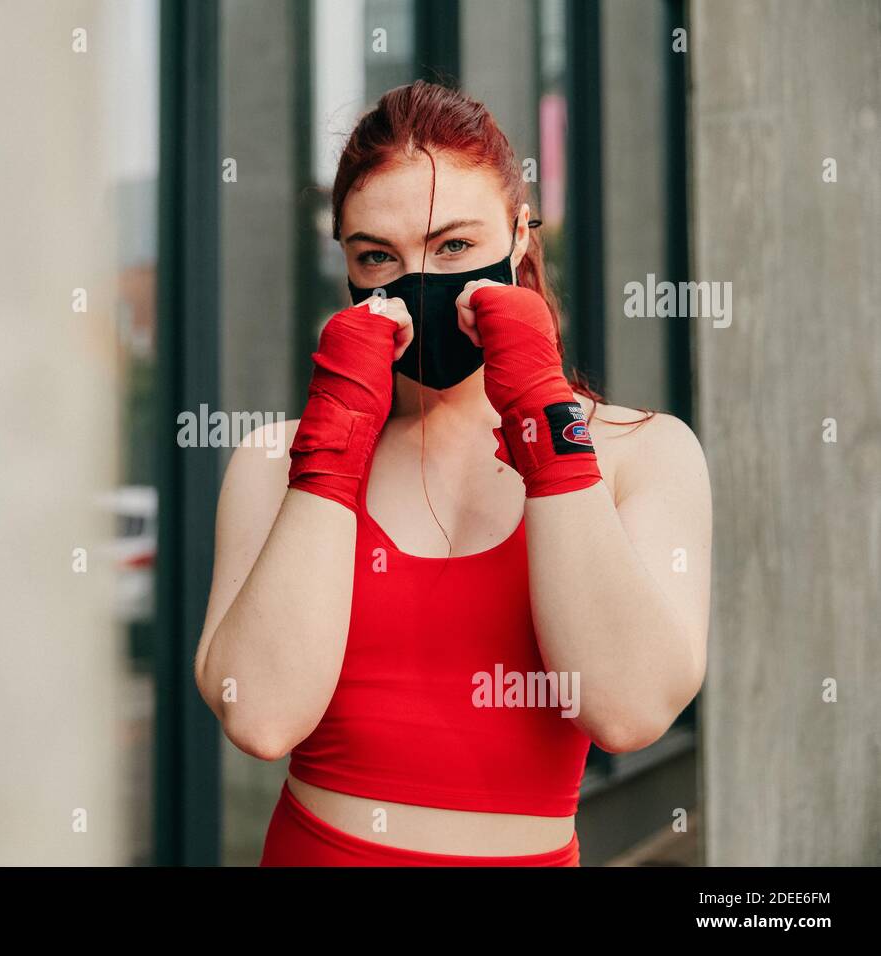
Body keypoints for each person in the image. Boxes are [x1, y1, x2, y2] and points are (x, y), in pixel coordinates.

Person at [193, 80, 712, 866]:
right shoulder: (277, 459)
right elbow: (260, 719)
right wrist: (334, 447)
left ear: (520, 238)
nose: (418, 280)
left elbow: (630, 710)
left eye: (455, 248)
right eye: (378, 256)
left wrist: (545, 420)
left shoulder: (645, 452)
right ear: (348, 270)